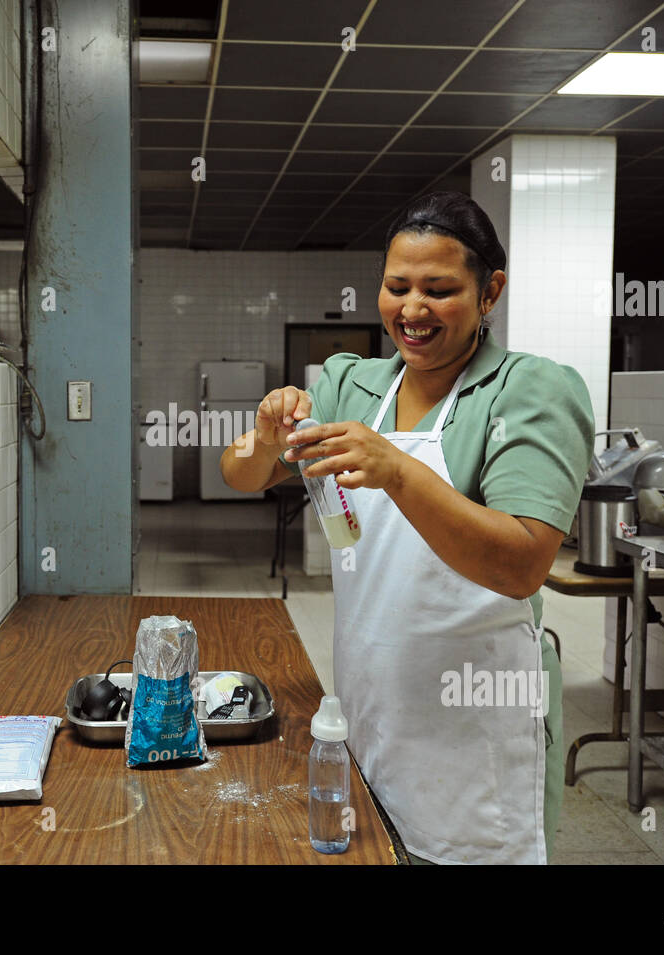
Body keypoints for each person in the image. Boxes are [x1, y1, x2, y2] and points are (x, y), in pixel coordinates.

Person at [220, 191, 594, 864]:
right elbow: (240, 474)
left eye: (439, 289)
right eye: (397, 286)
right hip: (375, 705)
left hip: (478, 725)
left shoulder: (527, 392)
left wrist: (397, 469)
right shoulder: (353, 385)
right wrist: (262, 437)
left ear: (490, 292)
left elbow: (522, 564)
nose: (412, 310)